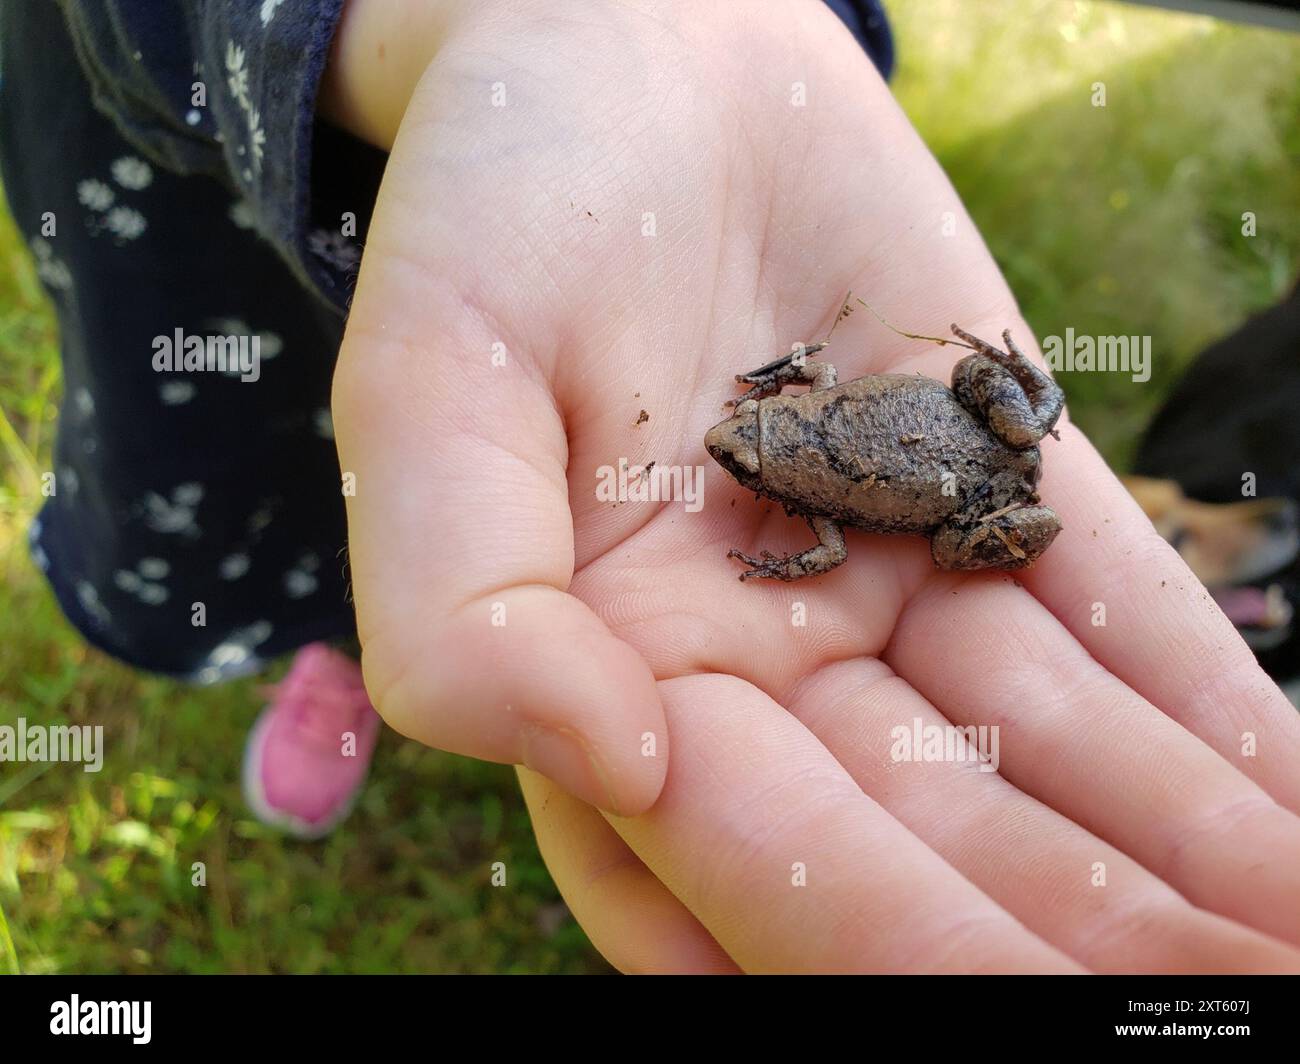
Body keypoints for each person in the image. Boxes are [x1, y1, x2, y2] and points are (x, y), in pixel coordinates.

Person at [5, 0, 1300, 973]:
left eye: (749, 463)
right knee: (353, 505)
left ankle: (344, 635)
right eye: (745, 456)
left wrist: (781, 543)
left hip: (949, 465)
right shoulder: (792, 432)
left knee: (438, 521)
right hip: (182, 208)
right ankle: (331, 640)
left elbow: (838, 547)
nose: (732, 460)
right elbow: (787, 412)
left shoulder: (820, 487)